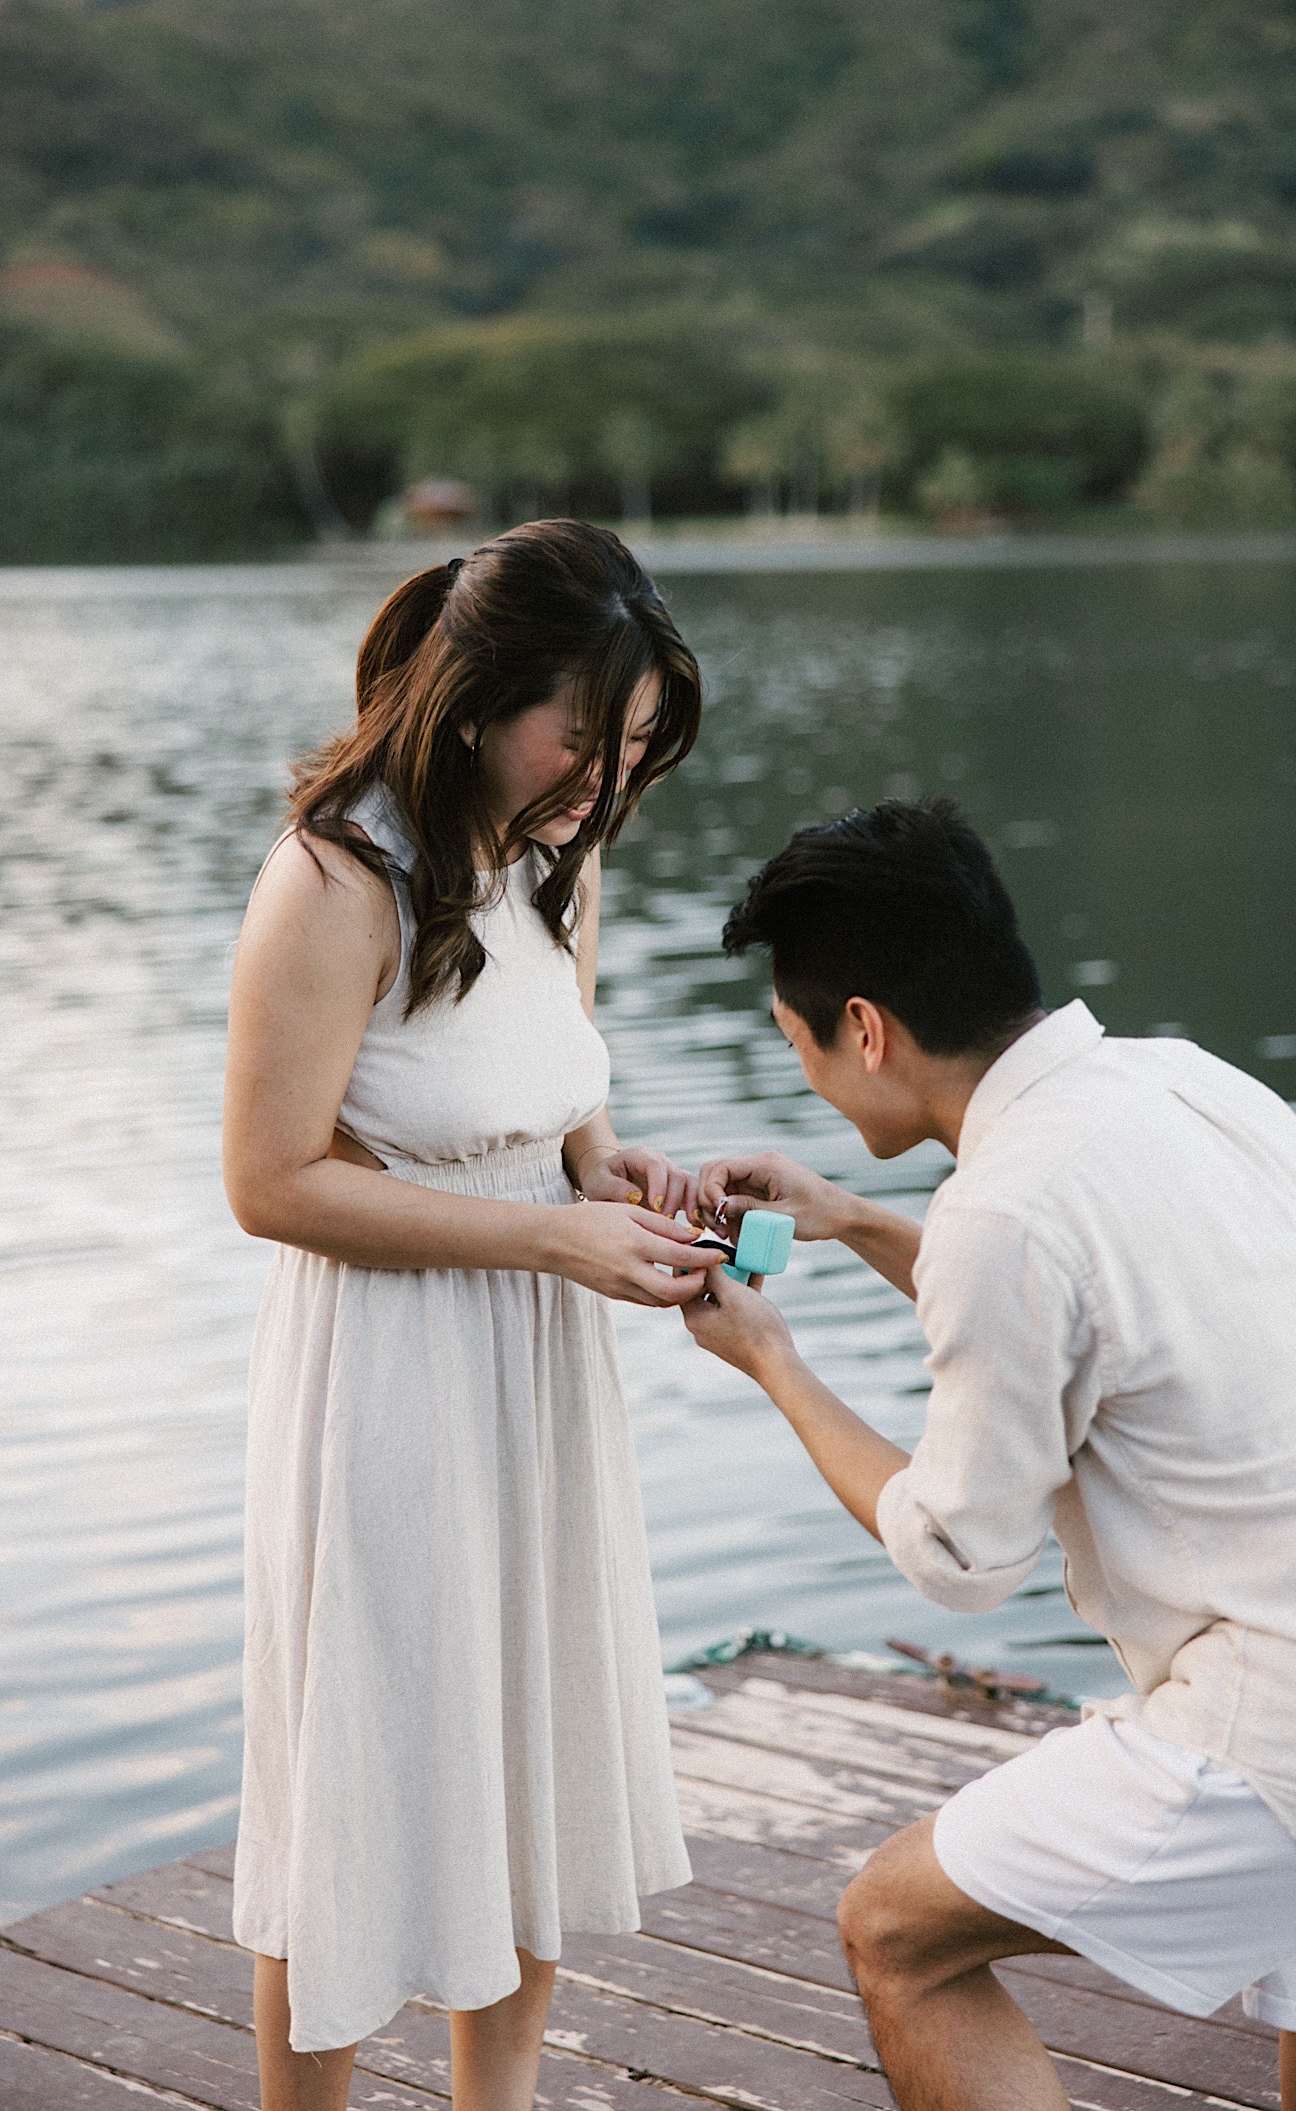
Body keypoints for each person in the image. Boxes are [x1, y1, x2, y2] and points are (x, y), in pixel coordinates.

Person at [679, 797, 1296, 2111]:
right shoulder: (1185, 1082)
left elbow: (956, 1551)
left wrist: (774, 1360)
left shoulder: (1003, 1210)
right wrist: (852, 1216)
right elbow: (1078, 1307)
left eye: (802, 1044)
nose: (811, 1081)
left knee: (894, 1930)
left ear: (867, 1029)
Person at [223, 521, 713, 2111]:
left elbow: (549, 1061)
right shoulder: (332, 873)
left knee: (531, 1754)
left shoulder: (558, 852)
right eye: (583, 732)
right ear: (478, 695)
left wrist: (600, 1160)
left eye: (635, 744)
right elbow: (272, 1181)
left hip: (542, 1370)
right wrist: (548, 1243)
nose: (605, 772)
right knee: (357, 1775)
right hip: (395, 1369)